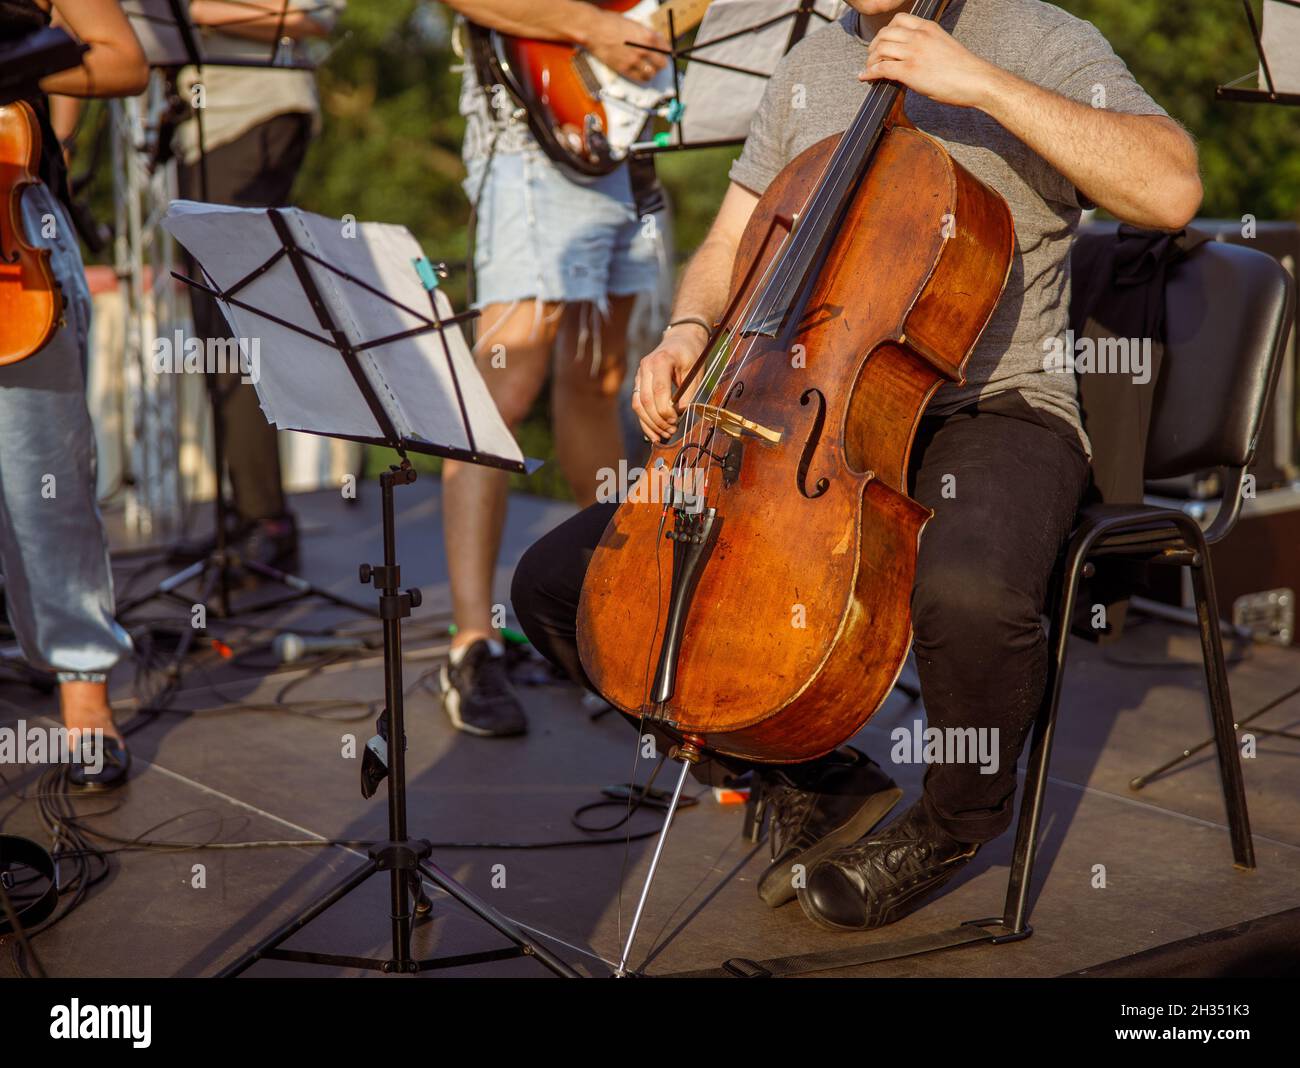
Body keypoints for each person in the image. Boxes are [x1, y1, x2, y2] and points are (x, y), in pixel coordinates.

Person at [510, 0, 1202, 929]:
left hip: (993, 407)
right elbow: (732, 239)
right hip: (803, 413)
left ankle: (954, 820)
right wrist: (684, 332)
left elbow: (1170, 190)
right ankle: (815, 774)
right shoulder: (811, 59)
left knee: (968, 596)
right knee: (564, 586)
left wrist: (983, 84)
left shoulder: (1034, 32)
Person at [434, 0, 667, 737]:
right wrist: (598, 30)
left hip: (631, 144)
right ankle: (472, 642)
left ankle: (598, 619)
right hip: (533, 145)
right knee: (502, 389)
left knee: (599, 381)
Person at [0, 0, 148, 788]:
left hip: (13, 233)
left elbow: (124, 59)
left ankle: (83, 688)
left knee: (42, 477)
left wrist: (20, 62)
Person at [173, 0, 344, 574]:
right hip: (206, 128)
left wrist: (191, 13)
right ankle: (247, 513)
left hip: (250, 118)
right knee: (211, 323)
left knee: (234, 323)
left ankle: (264, 515)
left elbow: (316, 15)